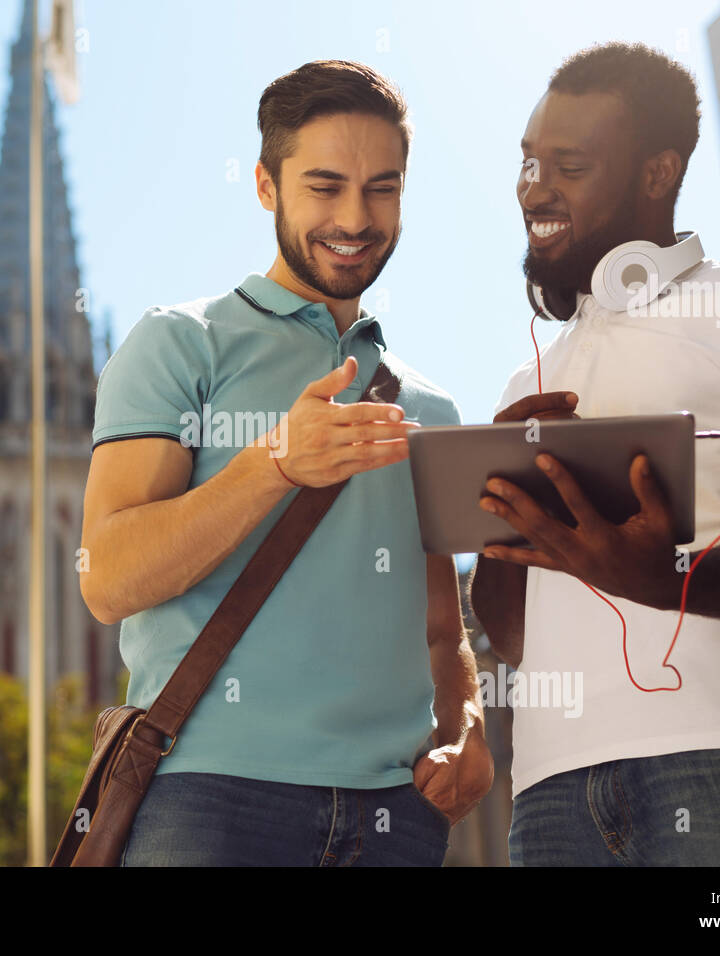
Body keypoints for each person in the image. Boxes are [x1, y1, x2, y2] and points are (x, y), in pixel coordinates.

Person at [80, 59, 492, 866]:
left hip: (393, 816)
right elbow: (107, 577)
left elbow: (443, 630)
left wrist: (468, 730)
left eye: (382, 188)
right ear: (267, 186)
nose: (355, 216)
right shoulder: (179, 343)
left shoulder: (432, 411)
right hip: (206, 798)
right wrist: (276, 461)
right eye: (325, 185)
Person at [471, 41, 720, 866]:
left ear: (656, 174)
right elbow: (511, 637)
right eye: (528, 161)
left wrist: (666, 581)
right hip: (549, 799)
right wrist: (502, 506)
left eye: (567, 166)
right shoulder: (527, 375)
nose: (534, 189)